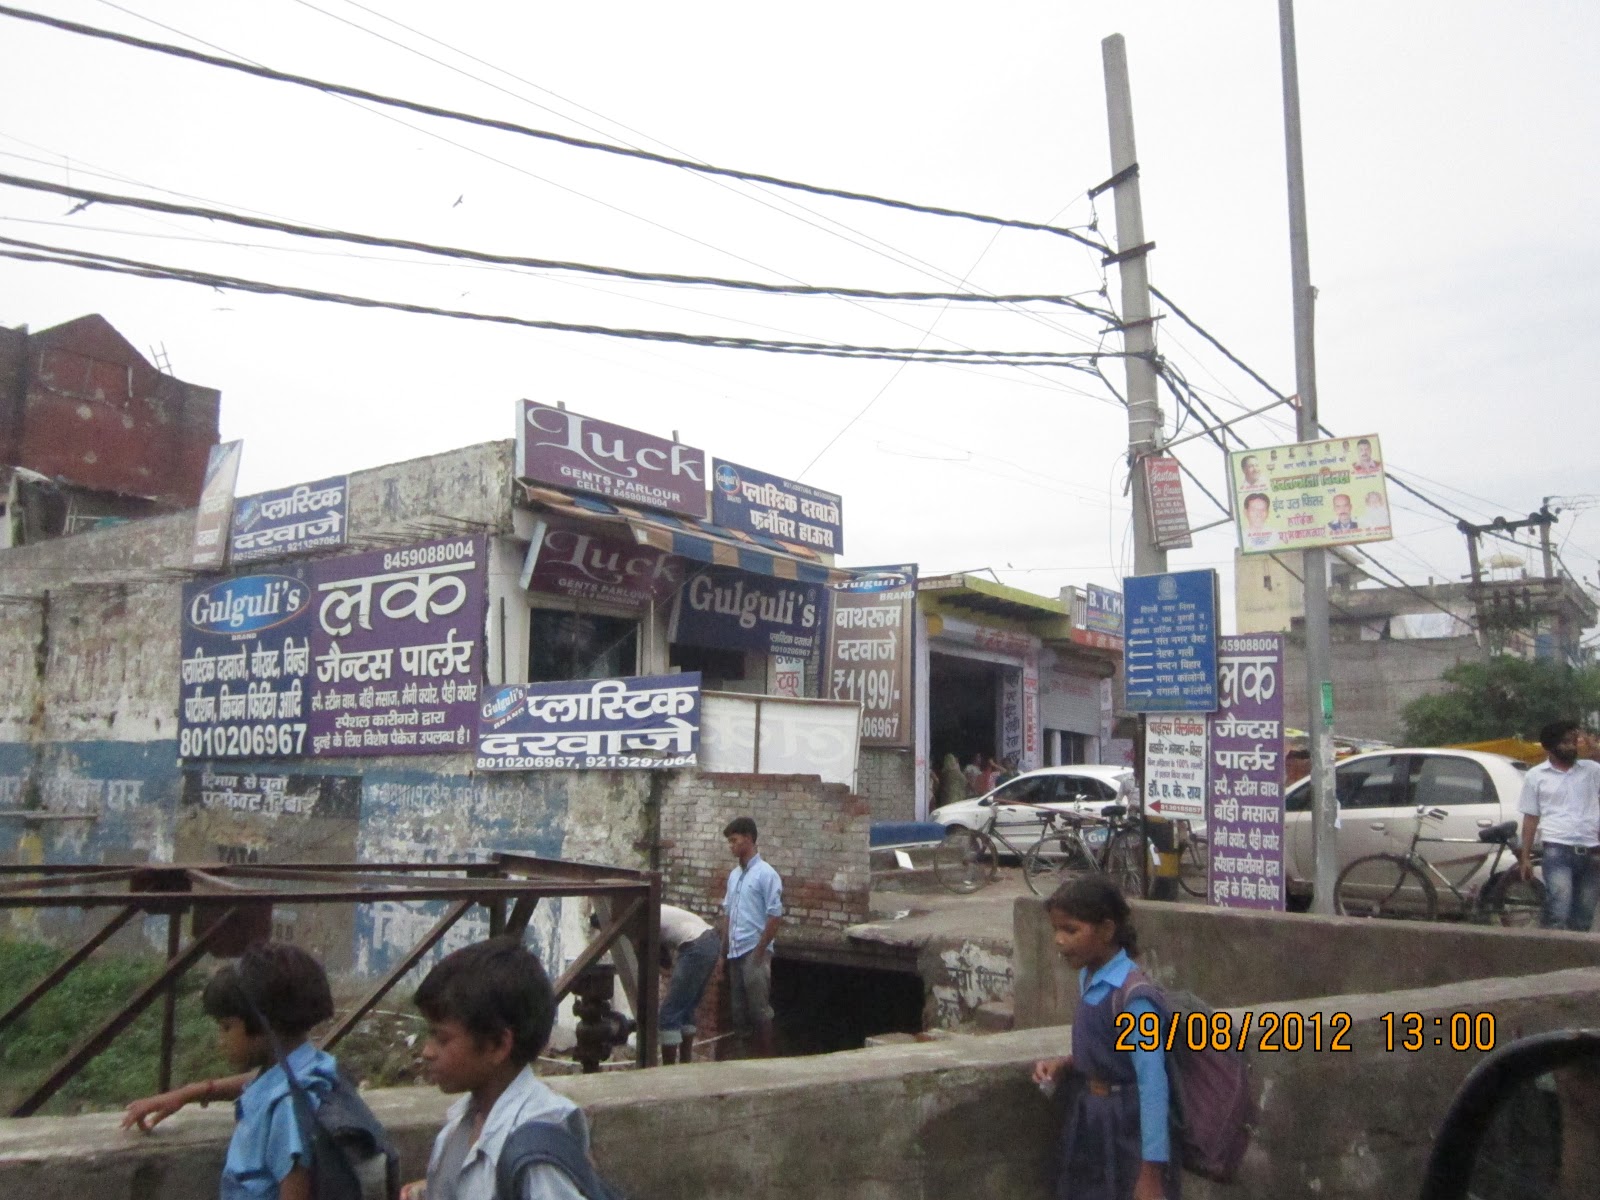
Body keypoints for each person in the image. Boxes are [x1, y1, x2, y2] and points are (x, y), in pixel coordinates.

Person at [121, 942, 341, 1200]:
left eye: (227, 1027)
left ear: (265, 1026)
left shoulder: (288, 1111)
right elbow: (265, 1082)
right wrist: (192, 1092)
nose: (220, 1040)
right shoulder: (313, 1068)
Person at [404, 936, 590, 1200]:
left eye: (442, 1039)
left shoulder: (536, 1156)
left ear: (498, 1045)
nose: (427, 1052)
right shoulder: (458, 1130)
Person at [1031, 876, 1179, 1200]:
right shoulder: (1091, 977)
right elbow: (1110, 1049)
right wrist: (1066, 1063)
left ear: (1107, 930)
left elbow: (1152, 1083)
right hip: (1090, 1120)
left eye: (1071, 930)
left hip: (1126, 1129)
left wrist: (1151, 1173)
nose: (1058, 940)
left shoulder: (1133, 998)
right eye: (1056, 929)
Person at [1518, 720, 1600, 932]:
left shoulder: (1591, 770)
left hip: (1592, 852)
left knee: (1583, 917)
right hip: (1557, 850)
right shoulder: (1536, 776)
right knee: (1559, 911)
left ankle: (1577, 962)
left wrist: (1593, 746)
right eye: (1565, 742)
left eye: (1573, 741)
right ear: (1550, 746)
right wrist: (1525, 857)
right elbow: (1531, 818)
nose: (1571, 746)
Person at [721, 816, 784, 1058]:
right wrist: (723, 952)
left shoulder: (766, 874)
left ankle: (766, 1060)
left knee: (759, 1010)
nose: (731, 846)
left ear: (748, 839)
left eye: (734, 840)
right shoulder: (734, 875)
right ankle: (743, 1059)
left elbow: (774, 915)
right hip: (735, 951)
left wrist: (760, 951)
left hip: (753, 950)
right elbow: (728, 913)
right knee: (738, 1011)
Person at [657, 903, 719, 1065]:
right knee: (686, 1009)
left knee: (668, 1014)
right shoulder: (657, 909)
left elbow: (662, 961)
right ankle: (685, 1065)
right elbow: (666, 962)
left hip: (696, 945)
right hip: (711, 940)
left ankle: (669, 1071)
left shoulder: (644, 917)